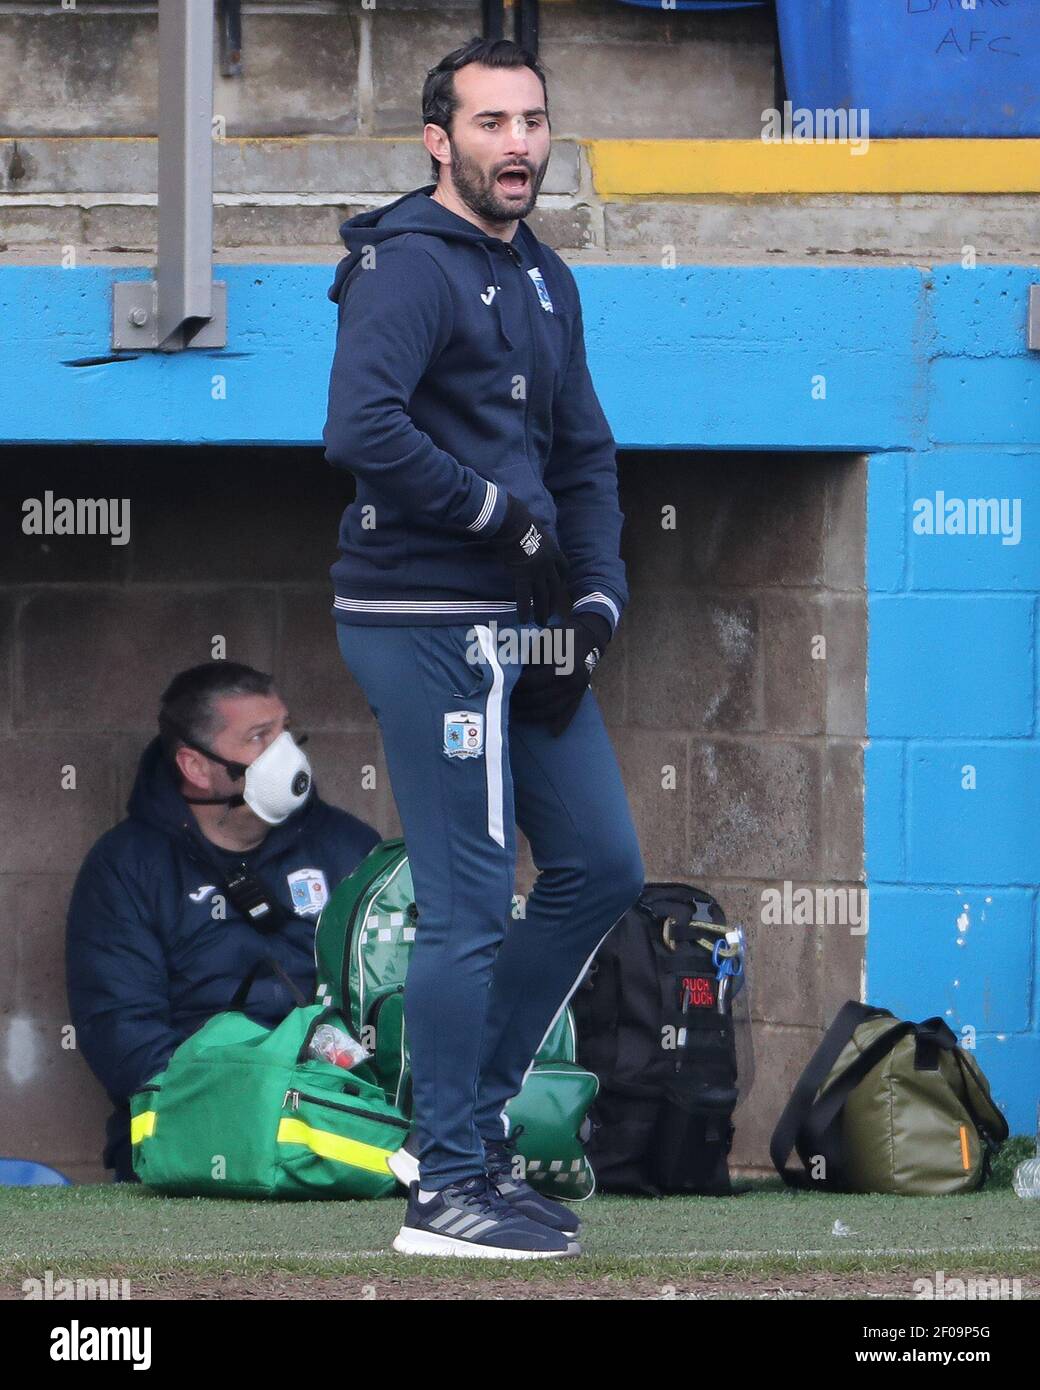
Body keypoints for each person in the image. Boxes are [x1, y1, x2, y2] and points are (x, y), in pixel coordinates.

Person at [323, 35, 646, 1260]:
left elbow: (585, 458)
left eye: (531, 121)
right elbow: (358, 426)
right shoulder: (407, 264)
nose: (516, 143)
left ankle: (458, 1123)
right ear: (437, 140)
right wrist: (495, 518)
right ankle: (447, 1188)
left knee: (602, 864)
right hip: (422, 621)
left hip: (529, 629)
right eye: (490, 123)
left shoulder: (548, 277)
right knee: (467, 906)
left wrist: (596, 607)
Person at [65, 662, 381, 1183]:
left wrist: (335, 1094)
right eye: (260, 737)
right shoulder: (126, 867)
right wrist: (263, 1096)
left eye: (284, 730)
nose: (286, 752)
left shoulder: (347, 847)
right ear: (195, 765)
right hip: (193, 1133)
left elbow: (397, 1001)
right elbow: (124, 1038)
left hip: (340, 1126)